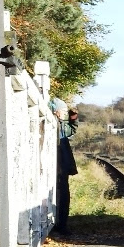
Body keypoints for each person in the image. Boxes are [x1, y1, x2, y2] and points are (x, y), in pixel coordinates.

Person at [50, 97, 79, 235]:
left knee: (62, 195)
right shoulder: (52, 125)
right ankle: (60, 225)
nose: (64, 113)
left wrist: (73, 118)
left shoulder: (60, 125)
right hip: (58, 167)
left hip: (61, 167)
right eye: (63, 111)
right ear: (55, 111)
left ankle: (61, 224)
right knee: (61, 196)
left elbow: (72, 130)